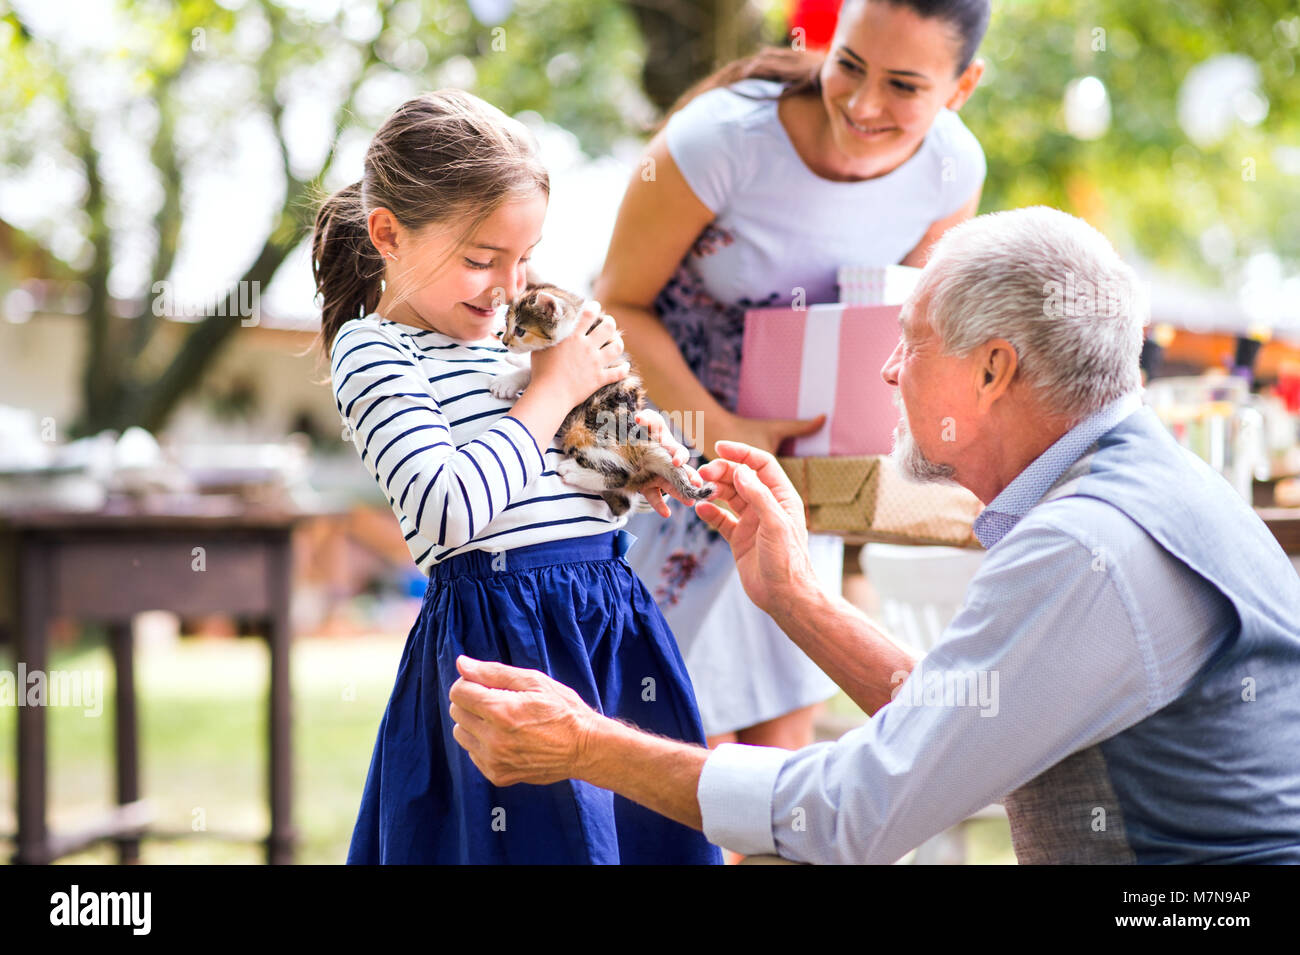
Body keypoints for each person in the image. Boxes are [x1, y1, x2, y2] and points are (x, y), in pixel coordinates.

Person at [448, 206, 1300, 864]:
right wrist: (795, 597)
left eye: (909, 342)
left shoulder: (1089, 547)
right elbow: (962, 728)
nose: (890, 371)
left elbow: (856, 813)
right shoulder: (1146, 485)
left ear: (994, 368)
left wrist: (586, 743)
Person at [315, 90, 721, 864]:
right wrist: (552, 388)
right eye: (480, 259)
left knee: (637, 834)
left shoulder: (518, 338)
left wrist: (628, 459)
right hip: (502, 639)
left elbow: (556, 473)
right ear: (388, 234)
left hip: (607, 620)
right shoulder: (376, 353)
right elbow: (448, 511)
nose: (507, 285)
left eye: (523, 257)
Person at [593, 0, 989, 750]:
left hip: (805, 478)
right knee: (661, 730)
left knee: (781, 755)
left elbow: (907, 334)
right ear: (825, 42)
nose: (865, 104)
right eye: (849, 64)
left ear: (962, 86)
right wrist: (724, 435)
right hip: (672, 454)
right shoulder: (723, 136)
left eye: (905, 85)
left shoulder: (953, 168)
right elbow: (617, 302)